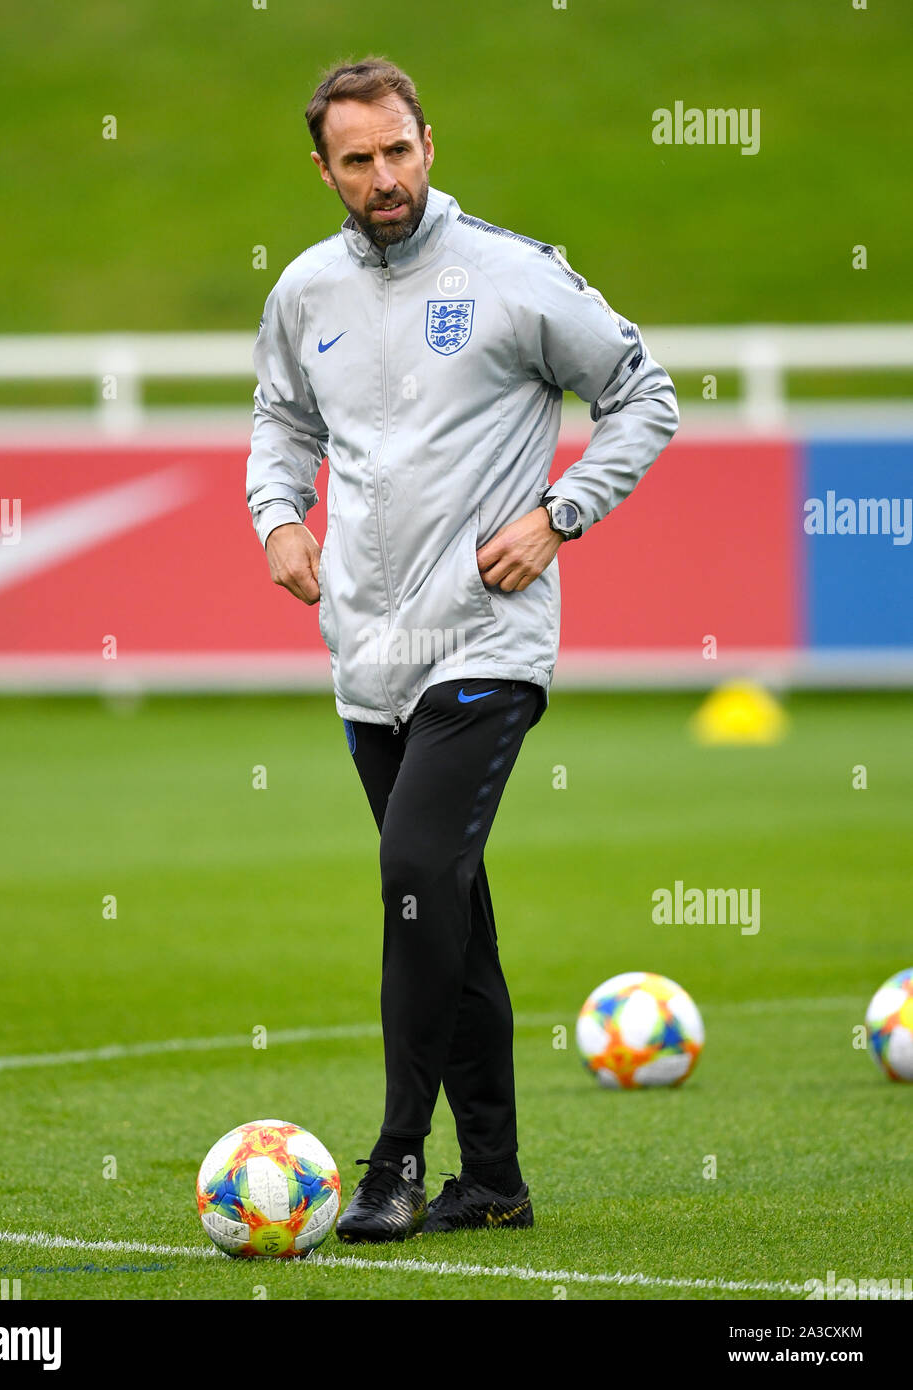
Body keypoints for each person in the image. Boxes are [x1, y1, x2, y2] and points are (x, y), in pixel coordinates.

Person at [246, 57, 678, 1242]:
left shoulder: (512, 274)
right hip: (365, 653)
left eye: (399, 150)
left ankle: (393, 1157)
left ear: (428, 143)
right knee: (446, 905)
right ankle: (492, 1180)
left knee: (413, 876)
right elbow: (279, 421)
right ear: (323, 168)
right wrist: (279, 517)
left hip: (486, 640)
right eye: (356, 159)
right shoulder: (303, 291)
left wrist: (559, 515)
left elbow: (645, 395)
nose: (382, 176)